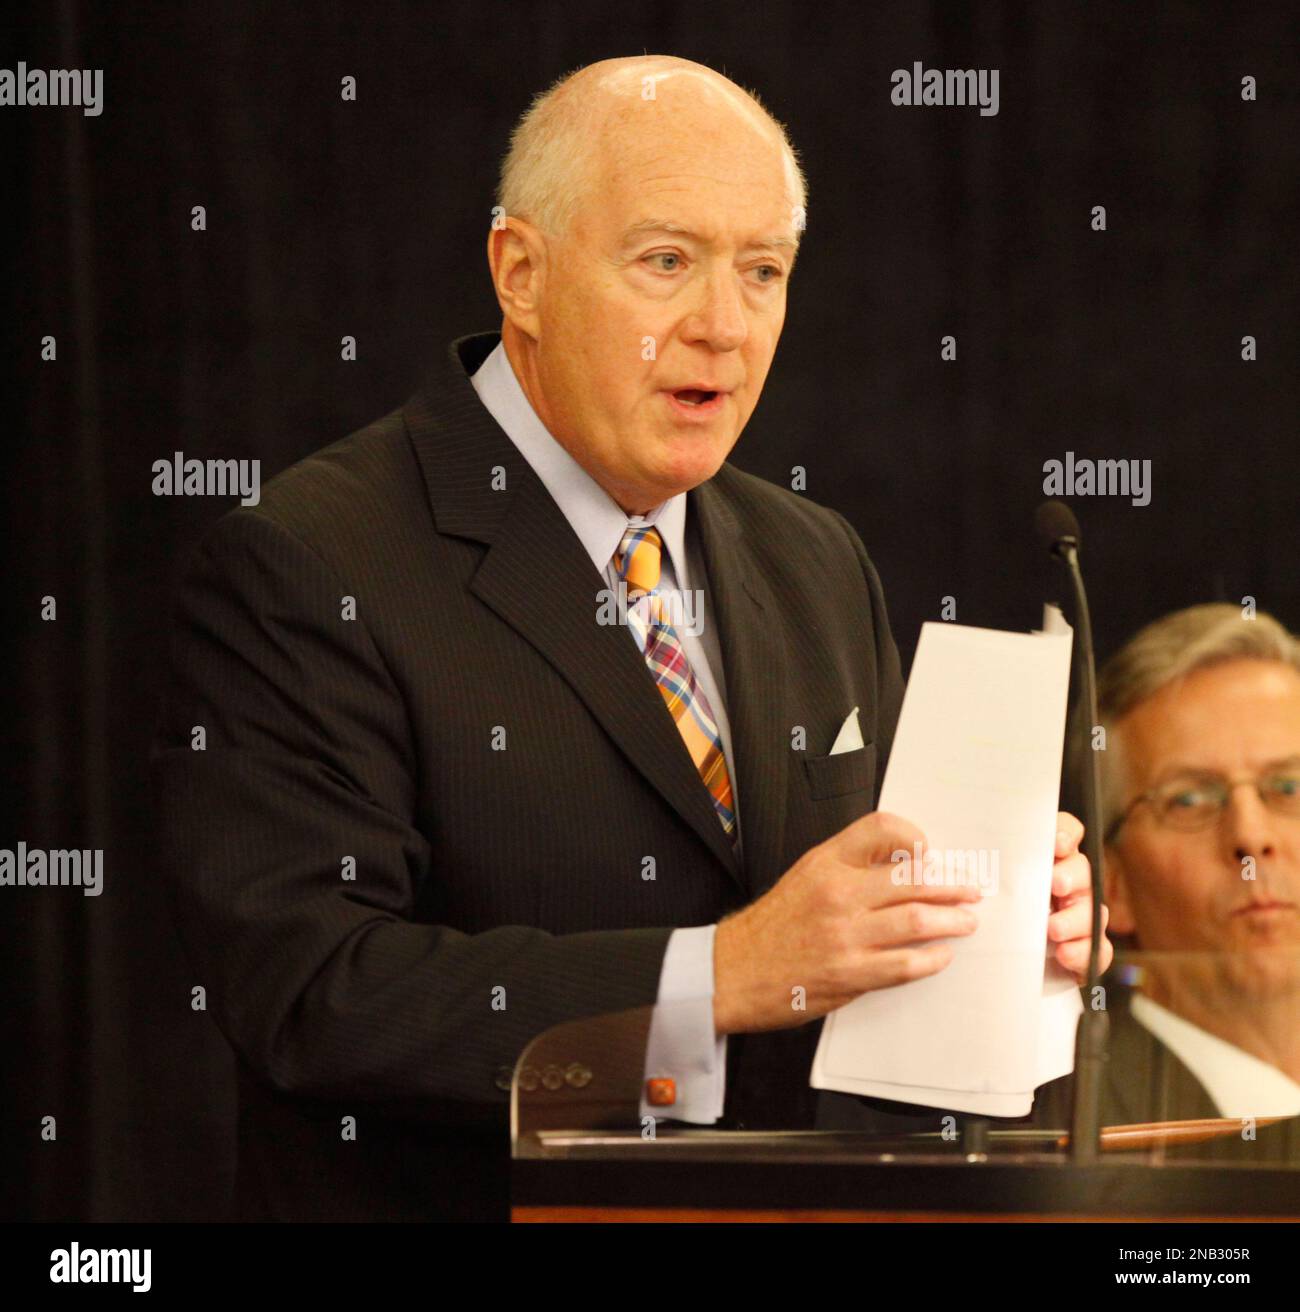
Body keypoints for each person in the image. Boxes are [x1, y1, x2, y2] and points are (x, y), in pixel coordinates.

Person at [150, 54, 1106, 1221]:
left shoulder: (813, 557)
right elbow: (313, 993)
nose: (723, 326)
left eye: (762, 271)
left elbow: (843, 952)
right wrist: (721, 973)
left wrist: (990, 935)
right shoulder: (311, 559)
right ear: (522, 273)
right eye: (666, 262)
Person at [1084, 603, 1300, 1160]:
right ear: (1114, 883)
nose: (1250, 837)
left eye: (1289, 787)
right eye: (1188, 800)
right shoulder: (1072, 1143)